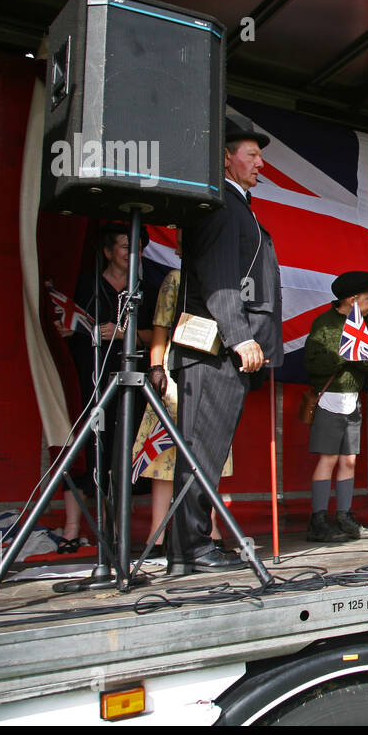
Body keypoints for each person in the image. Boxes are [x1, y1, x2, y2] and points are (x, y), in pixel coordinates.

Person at [166, 114, 283, 574]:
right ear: (227, 158)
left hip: (222, 353)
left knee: (207, 453)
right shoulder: (220, 208)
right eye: (252, 155)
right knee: (200, 451)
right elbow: (220, 282)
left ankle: (192, 547)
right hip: (213, 351)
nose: (260, 164)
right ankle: (190, 550)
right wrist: (240, 337)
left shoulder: (238, 207)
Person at [131, 233, 229, 559]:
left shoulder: (223, 282)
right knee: (165, 457)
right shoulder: (175, 279)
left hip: (212, 369)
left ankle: (210, 529)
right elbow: (160, 325)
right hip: (177, 371)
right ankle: (158, 533)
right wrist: (155, 365)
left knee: (210, 454)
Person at [62, 223, 153, 552]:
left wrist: (124, 332)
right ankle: (72, 530)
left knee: (120, 450)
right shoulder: (85, 283)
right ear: (108, 251)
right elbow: (64, 322)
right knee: (82, 449)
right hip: (87, 377)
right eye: (126, 246)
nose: (133, 252)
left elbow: (157, 334)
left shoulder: (144, 288)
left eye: (137, 247)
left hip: (129, 381)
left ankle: (112, 530)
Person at [306, 271, 368, 542]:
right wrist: (343, 357)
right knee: (327, 459)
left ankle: (344, 515)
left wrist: (362, 357)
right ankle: (318, 519)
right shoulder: (324, 324)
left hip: (353, 400)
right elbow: (312, 363)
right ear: (352, 300)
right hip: (330, 399)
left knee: (349, 460)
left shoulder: (365, 322)